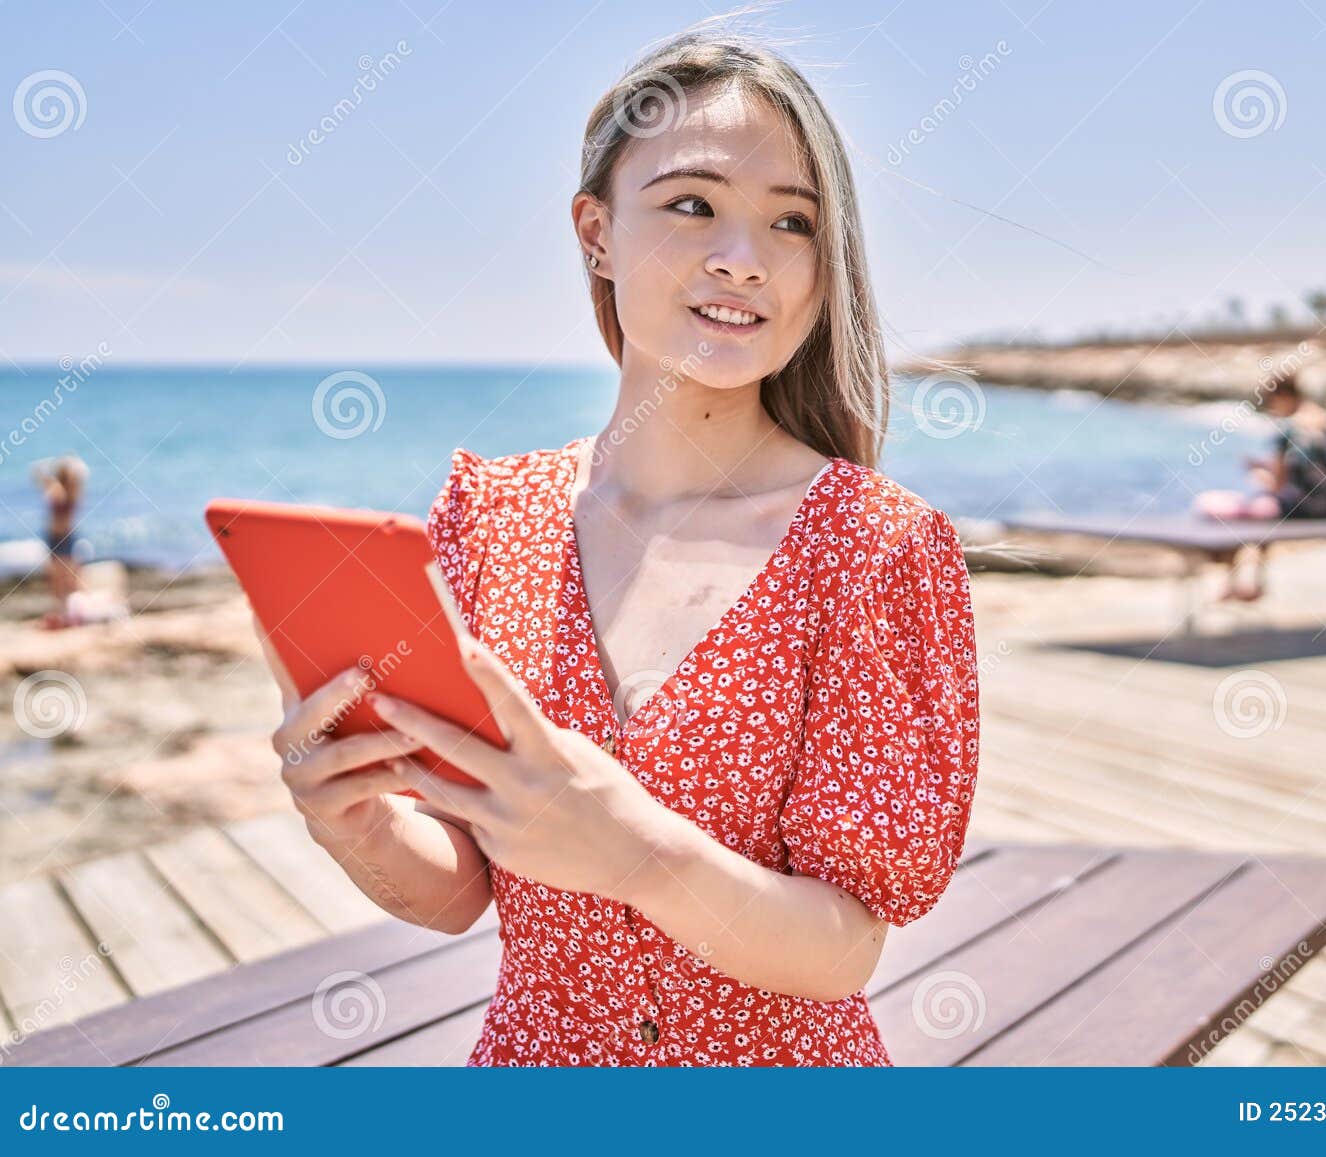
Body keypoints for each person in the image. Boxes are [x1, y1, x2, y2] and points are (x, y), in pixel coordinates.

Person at [254, 24, 981, 1067]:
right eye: (692, 205)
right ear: (594, 232)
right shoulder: (488, 518)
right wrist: (356, 824)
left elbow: (845, 948)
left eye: (791, 222)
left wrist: (644, 856)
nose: (743, 257)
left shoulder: (876, 548)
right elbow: (461, 885)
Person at [1190, 370, 1326, 600]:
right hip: (1324, 507)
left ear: (1283, 396)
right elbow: (1314, 469)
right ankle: (1257, 582)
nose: (1272, 409)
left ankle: (1234, 583)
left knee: (1232, 513)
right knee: (1262, 512)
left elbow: (1278, 485)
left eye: (1272, 403)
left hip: (1296, 509)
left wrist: (1259, 473)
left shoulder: (1289, 429)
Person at [30, 453, 89, 627]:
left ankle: (70, 613)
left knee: (66, 577)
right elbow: (37, 476)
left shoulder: (70, 491)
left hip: (63, 537)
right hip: (57, 537)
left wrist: (46, 471)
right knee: (58, 578)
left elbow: (52, 488)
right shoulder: (63, 489)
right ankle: (63, 613)